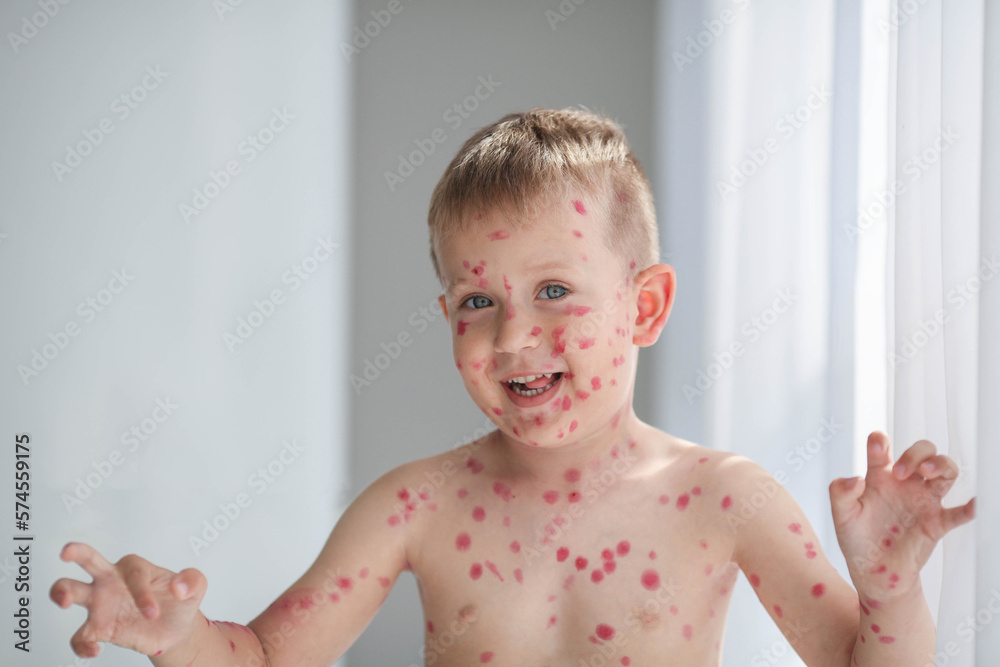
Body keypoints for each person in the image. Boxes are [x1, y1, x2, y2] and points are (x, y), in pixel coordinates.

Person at [51, 108, 975, 666]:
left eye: (555, 291)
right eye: (477, 299)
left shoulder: (723, 496)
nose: (513, 335)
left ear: (646, 305)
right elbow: (257, 657)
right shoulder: (415, 504)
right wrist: (178, 637)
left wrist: (890, 592)